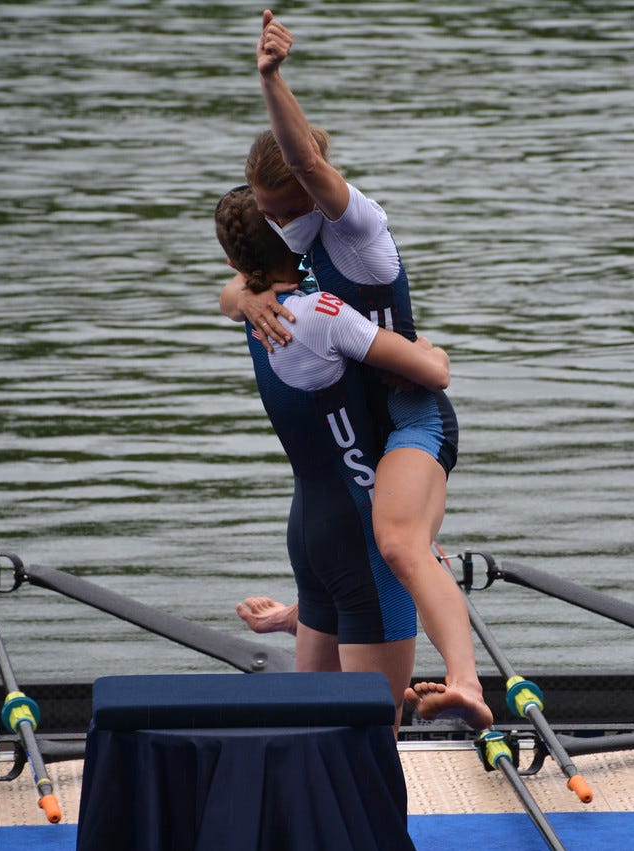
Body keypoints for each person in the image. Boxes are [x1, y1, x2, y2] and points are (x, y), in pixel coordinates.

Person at [235, 9, 492, 730]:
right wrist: (245, 292)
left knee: (400, 542)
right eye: (267, 213)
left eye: (287, 208)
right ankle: (315, 616)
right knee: (391, 538)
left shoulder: (357, 227)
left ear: (314, 191)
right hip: (377, 422)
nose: (281, 224)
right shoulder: (300, 239)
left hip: (414, 411)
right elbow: (240, 279)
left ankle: (467, 680)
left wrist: (271, 78)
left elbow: (309, 163)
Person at [216, 185, 458, 730]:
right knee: (372, 741)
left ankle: (299, 619)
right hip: (363, 538)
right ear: (297, 239)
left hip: (310, 534)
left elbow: (230, 295)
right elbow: (431, 373)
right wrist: (431, 351)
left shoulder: (258, 314)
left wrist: (239, 293)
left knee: (315, 734)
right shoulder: (323, 313)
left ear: (235, 261)